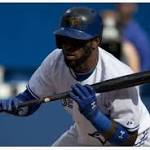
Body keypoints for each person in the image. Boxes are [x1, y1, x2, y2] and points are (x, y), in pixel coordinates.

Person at [0, 7, 150, 146]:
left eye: (76, 41)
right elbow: (29, 102)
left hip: (138, 139)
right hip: (87, 131)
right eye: (63, 40)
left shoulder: (119, 74)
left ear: (95, 42)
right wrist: (15, 105)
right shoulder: (55, 62)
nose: (68, 46)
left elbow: (128, 139)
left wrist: (93, 114)